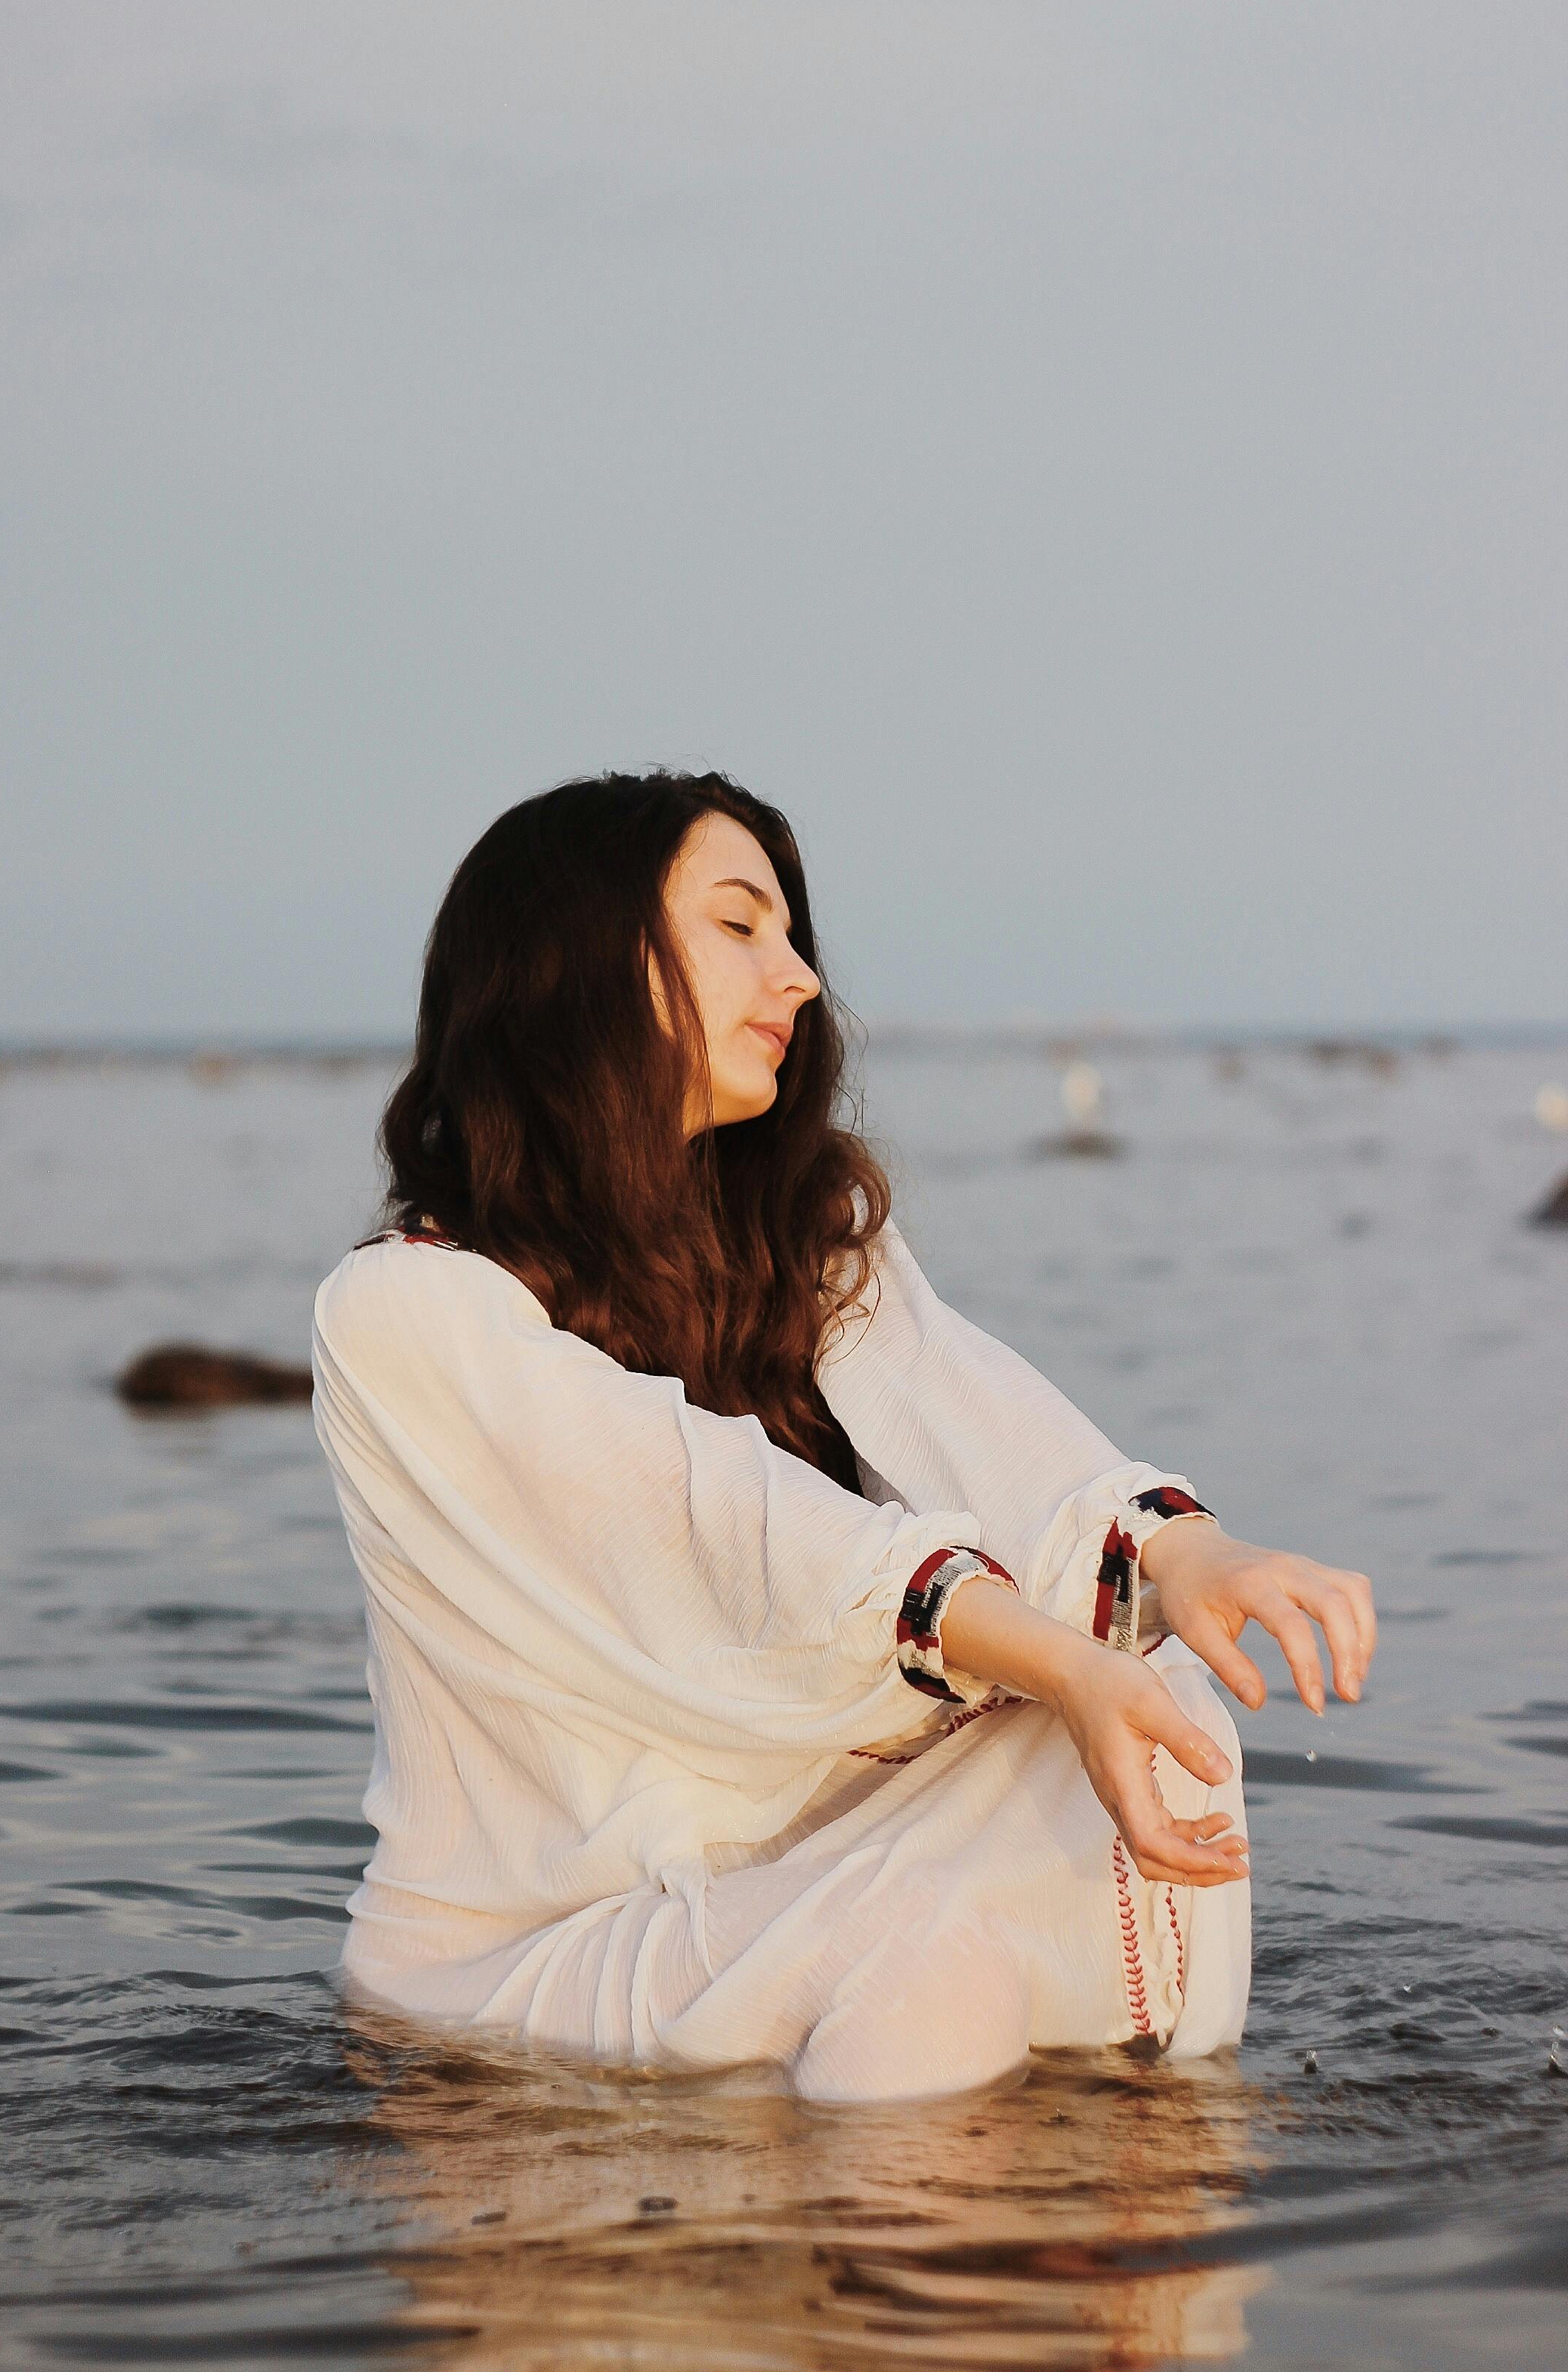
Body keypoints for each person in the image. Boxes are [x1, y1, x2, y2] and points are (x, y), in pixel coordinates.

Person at [313, 770, 1374, 2103]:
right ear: (580, 967)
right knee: (930, 1946)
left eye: (794, 934)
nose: (803, 976)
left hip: (786, 1877)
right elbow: (722, 1521)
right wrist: (1058, 1662)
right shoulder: (406, 1308)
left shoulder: (798, 1241)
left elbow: (979, 1422)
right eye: (742, 926)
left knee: (1160, 1700)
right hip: (517, 1957)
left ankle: (1052, 2218)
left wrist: (1188, 1559)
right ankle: (891, 2283)